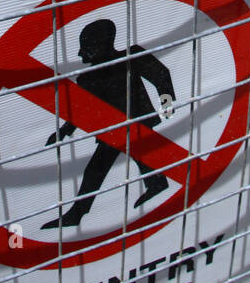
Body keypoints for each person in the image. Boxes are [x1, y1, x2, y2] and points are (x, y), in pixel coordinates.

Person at [42, 18, 175, 229]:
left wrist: (166, 103)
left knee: (101, 168)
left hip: (135, 123)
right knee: (116, 163)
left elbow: (160, 74)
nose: (80, 54)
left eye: (85, 47)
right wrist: (64, 131)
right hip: (113, 131)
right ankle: (156, 183)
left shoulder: (131, 56)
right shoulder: (86, 78)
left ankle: (78, 213)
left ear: (100, 44)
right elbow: (81, 111)